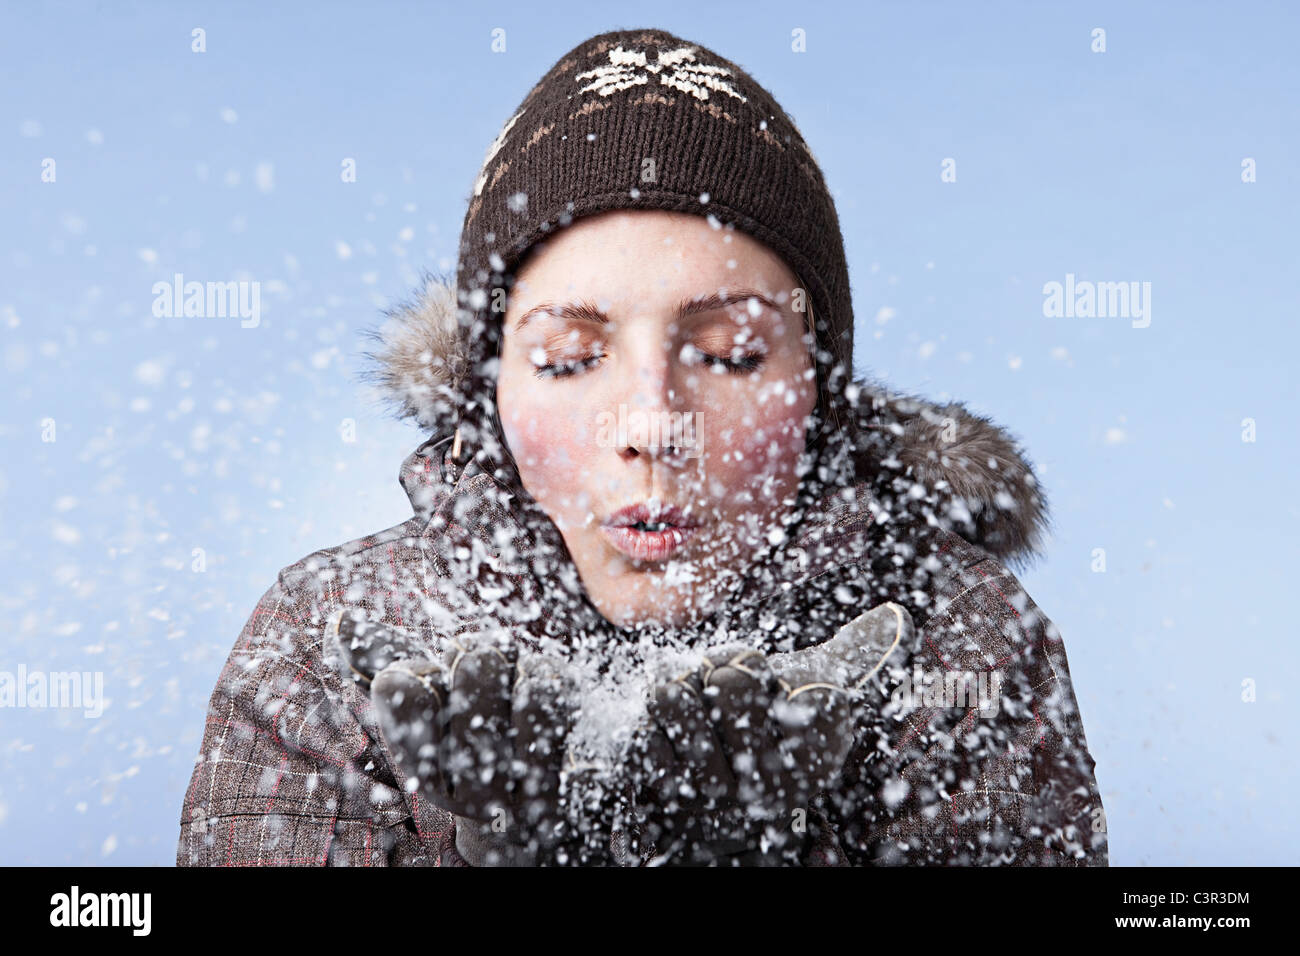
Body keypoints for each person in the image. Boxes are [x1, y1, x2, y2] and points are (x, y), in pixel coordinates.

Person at [177, 27, 1106, 866]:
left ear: (820, 384)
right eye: (571, 360)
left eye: (729, 355)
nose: (654, 423)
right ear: (487, 388)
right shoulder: (326, 639)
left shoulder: (959, 641)